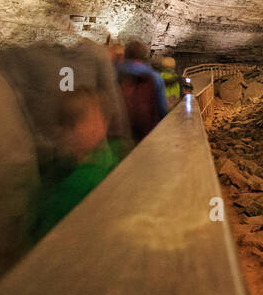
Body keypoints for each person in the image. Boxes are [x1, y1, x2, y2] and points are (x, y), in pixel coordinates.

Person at [31, 87, 122, 241]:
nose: (96, 126)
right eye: (90, 120)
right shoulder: (111, 162)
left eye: (99, 119)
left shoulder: (75, 186)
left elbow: (46, 235)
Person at [117, 40, 169, 141]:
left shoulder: (113, 72)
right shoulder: (154, 76)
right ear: (144, 56)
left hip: (120, 130)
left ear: (126, 54)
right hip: (146, 131)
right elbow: (162, 108)